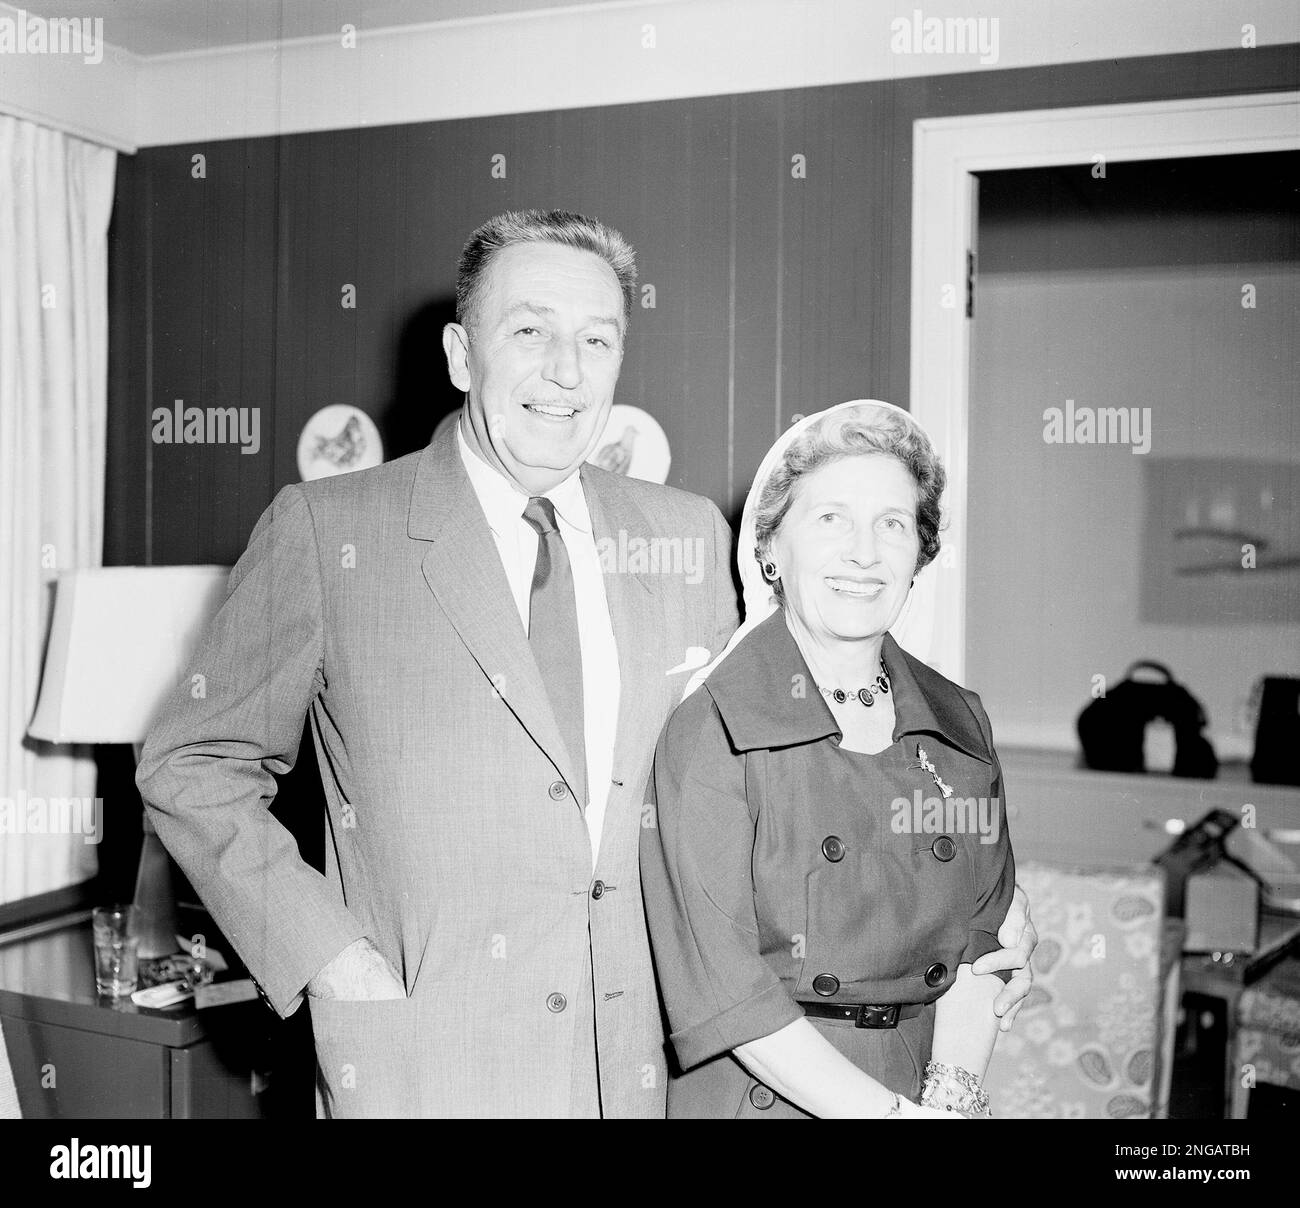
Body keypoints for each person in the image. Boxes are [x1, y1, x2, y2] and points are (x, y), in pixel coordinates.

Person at [137, 213, 1035, 1118]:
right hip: (427, 1060)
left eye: (596, 339)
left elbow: (796, 761)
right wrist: (327, 957)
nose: (565, 369)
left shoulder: (688, 538)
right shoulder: (328, 531)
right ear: (459, 354)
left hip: (652, 1069)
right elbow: (192, 763)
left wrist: (959, 892)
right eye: (529, 330)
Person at [642, 400, 1018, 1118]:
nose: (865, 553)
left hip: (927, 1082)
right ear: (771, 549)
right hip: (768, 1095)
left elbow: (983, 943)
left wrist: (952, 1096)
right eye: (830, 519)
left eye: (893, 524)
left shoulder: (959, 721)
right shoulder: (713, 728)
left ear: (920, 555)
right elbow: (727, 990)